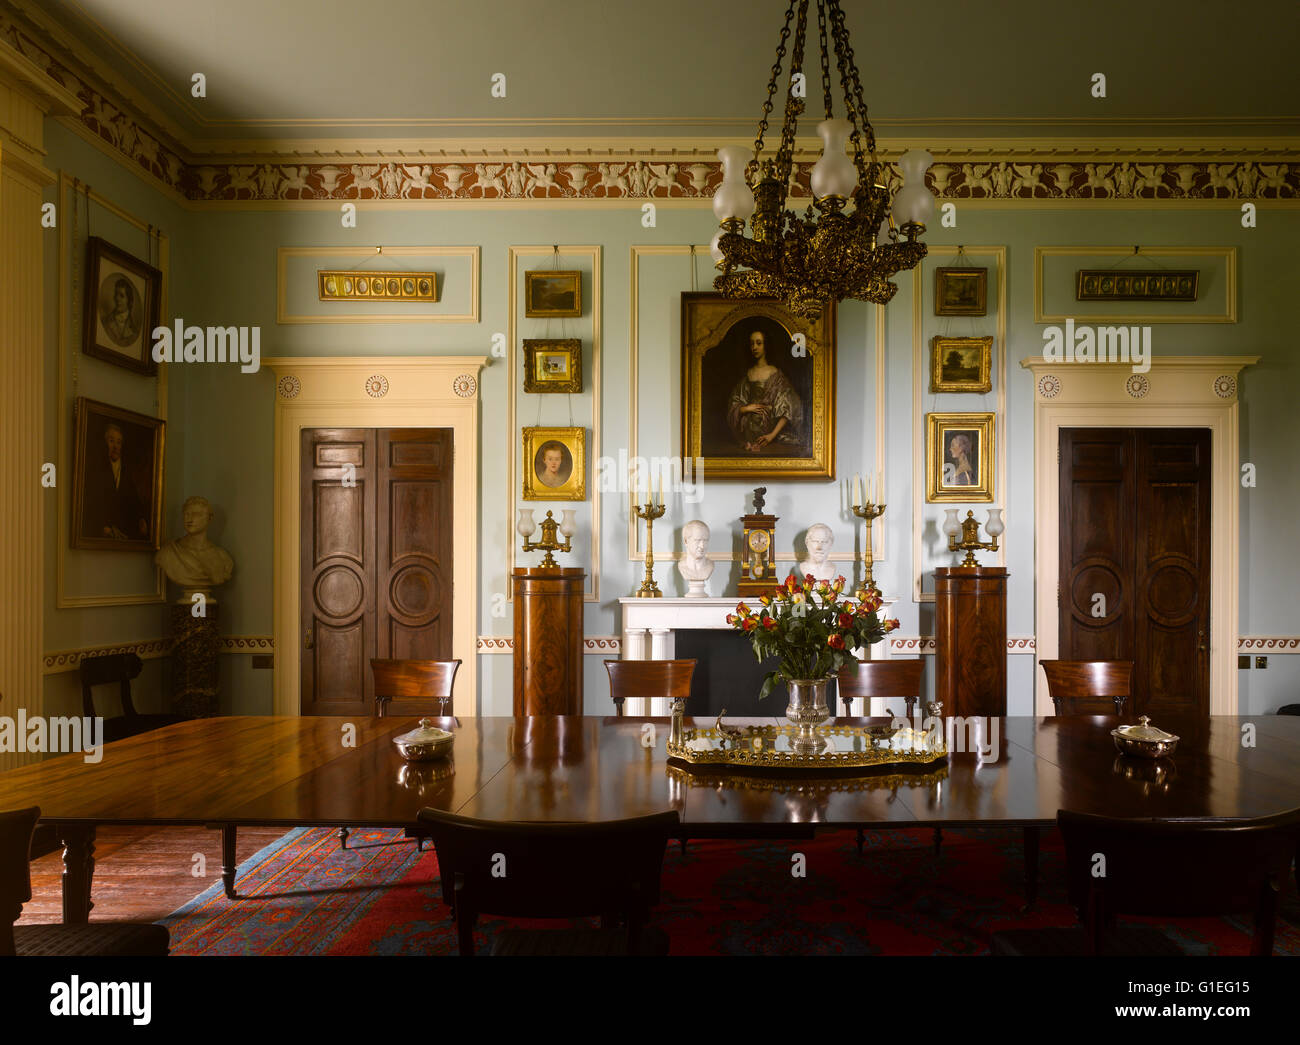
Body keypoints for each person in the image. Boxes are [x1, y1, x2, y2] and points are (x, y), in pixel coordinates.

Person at [726, 329, 803, 453]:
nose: (754, 347)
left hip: (768, 432)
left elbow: (790, 406)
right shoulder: (748, 374)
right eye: (752, 344)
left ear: (765, 345)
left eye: (758, 343)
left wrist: (772, 435)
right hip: (747, 434)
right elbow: (734, 403)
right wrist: (746, 408)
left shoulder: (775, 374)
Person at [156, 495, 234, 598]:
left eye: (197, 514)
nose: (190, 519)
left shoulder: (223, 558)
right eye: (186, 514)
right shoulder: (168, 553)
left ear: (209, 518)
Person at [86, 421, 148, 540]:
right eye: (111, 441)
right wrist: (103, 527)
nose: (115, 446)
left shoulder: (126, 471)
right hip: (104, 532)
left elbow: (134, 500)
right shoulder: (96, 468)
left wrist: (141, 519)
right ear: (104, 443)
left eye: (118, 442)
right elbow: (92, 503)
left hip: (123, 531)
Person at [677, 519, 714, 595]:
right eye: (697, 540)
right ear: (686, 541)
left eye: (706, 540)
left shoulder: (710, 565)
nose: (702, 546)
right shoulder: (682, 566)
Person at [101, 277, 139, 347]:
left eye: (121, 296)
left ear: (129, 300)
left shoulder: (134, 332)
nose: (117, 298)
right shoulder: (105, 321)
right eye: (116, 294)